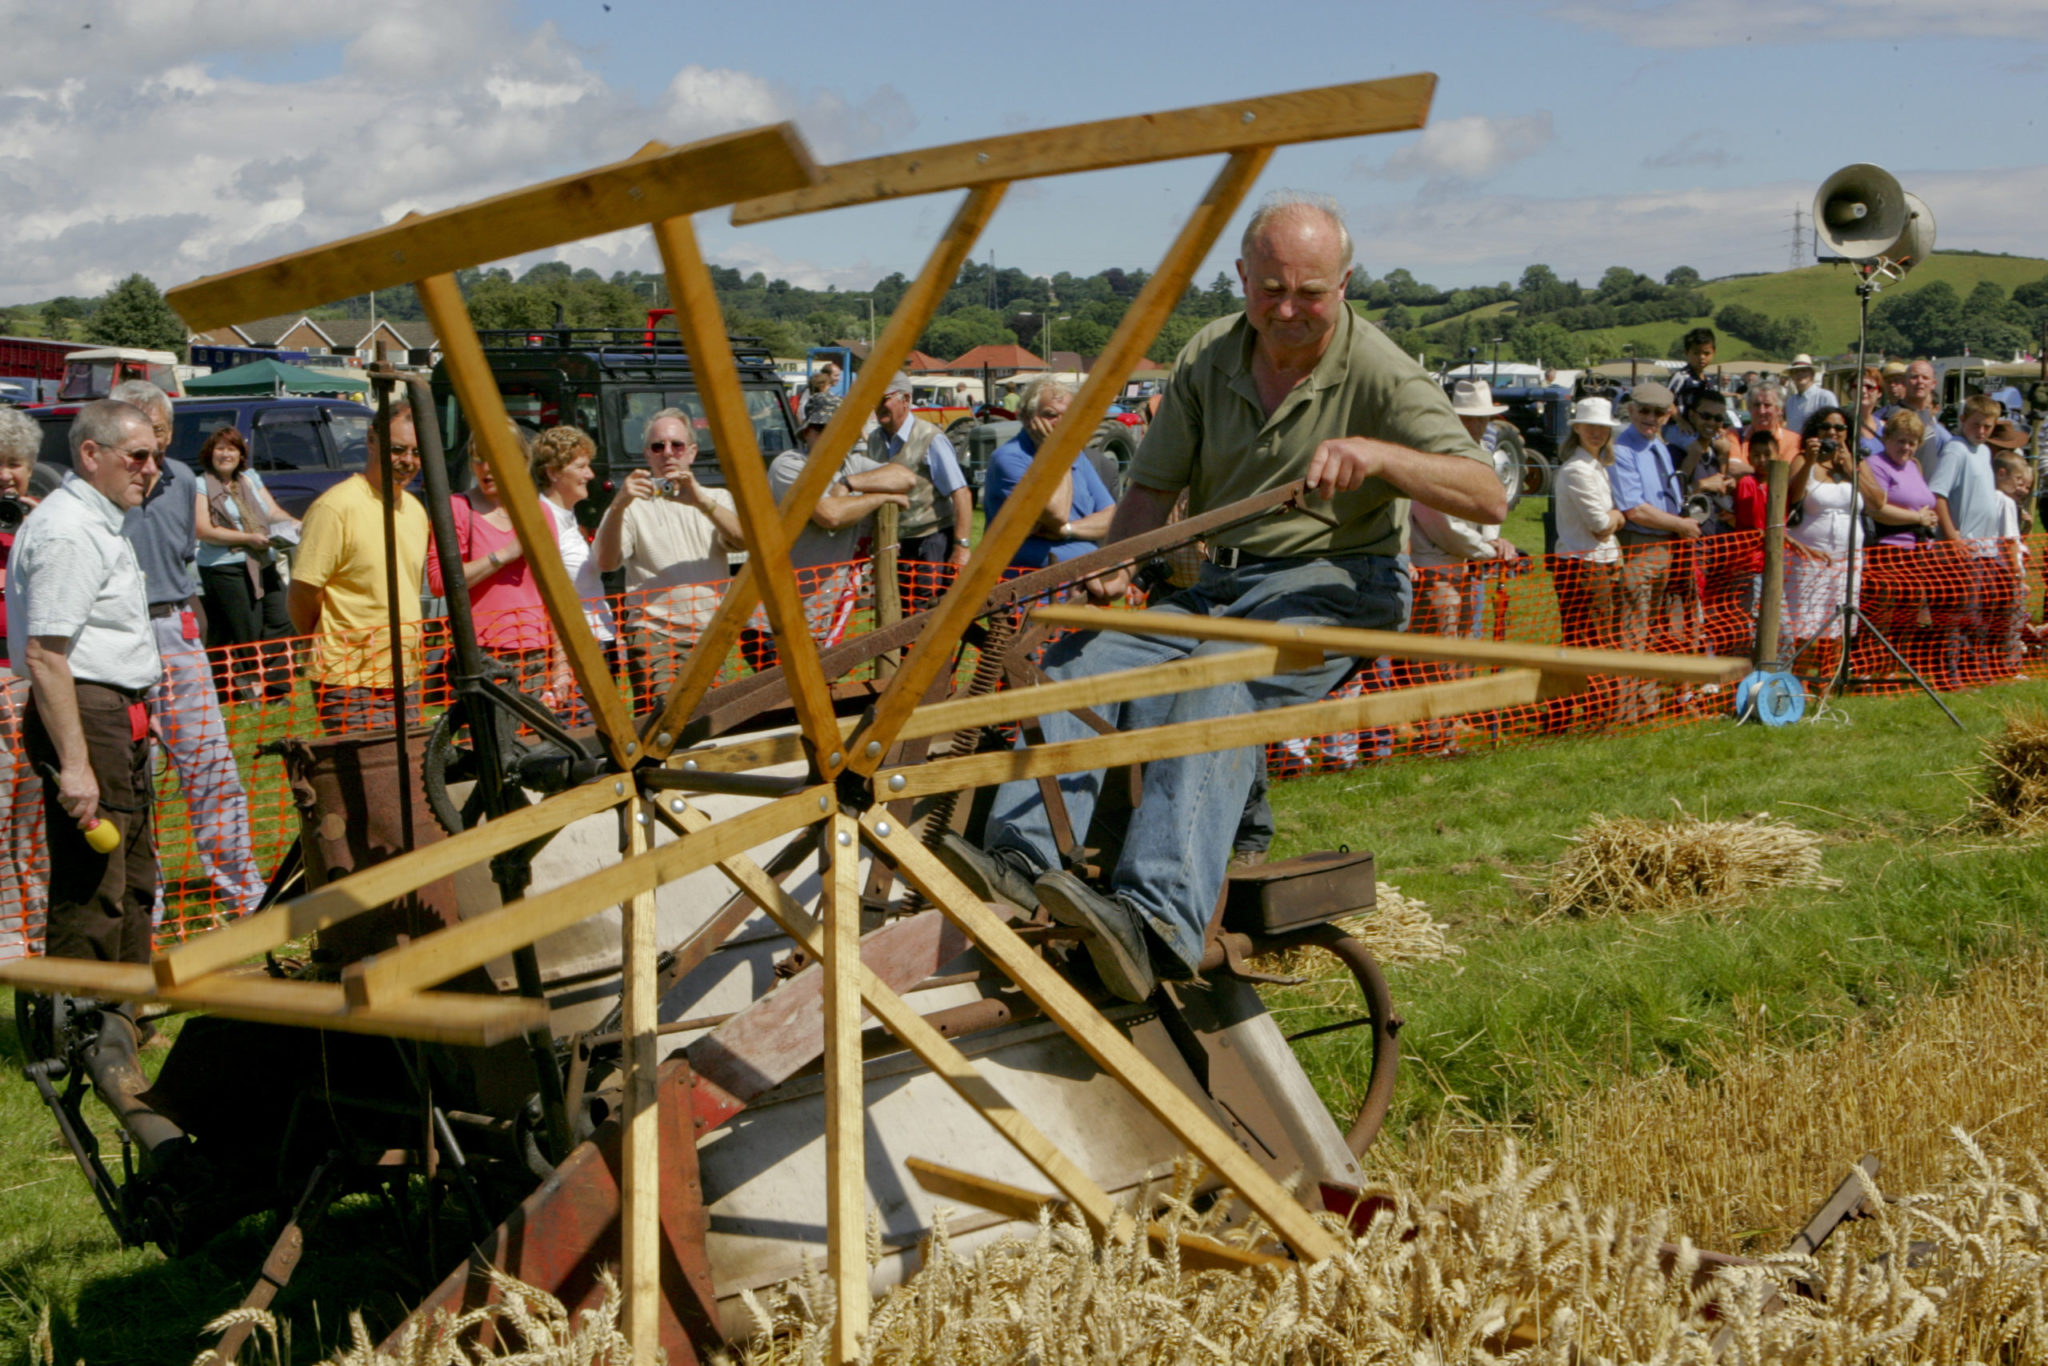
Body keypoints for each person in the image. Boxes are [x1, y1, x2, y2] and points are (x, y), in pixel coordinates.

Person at [937, 193, 1503, 1004]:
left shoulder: (1379, 370)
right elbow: (1152, 488)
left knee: (1216, 684)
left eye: (1310, 292)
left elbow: (1484, 493)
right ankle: (1023, 862)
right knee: (1080, 656)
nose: (1289, 309)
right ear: (1241, 278)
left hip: (1338, 588)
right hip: (1218, 584)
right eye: (1270, 288)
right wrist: (1119, 566)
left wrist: (1378, 454)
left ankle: (1155, 923)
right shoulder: (1209, 355)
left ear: (1345, 283)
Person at [8, 400, 162, 962]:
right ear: (92, 454)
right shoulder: (69, 531)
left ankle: (124, 1016)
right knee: (95, 883)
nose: (152, 469)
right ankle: (82, 1036)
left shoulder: (97, 521)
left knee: (134, 876)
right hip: (87, 713)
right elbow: (47, 656)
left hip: (116, 714)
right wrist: (75, 765)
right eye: (138, 456)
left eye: (156, 456)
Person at [113, 380, 265, 924]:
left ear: (170, 433)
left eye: (158, 432)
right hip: (116, 639)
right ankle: (142, 903)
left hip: (175, 632)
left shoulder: (182, 481)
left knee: (212, 768)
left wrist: (190, 621)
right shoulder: (100, 487)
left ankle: (244, 892)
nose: (148, 448)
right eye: (136, 432)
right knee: (134, 779)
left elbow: (184, 559)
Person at [288, 398, 430, 732]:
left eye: (416, 452)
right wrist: (325, 641)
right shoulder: (336, 508)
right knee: (370, 781)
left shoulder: (414, 510)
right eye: (397, 449)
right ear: (371, 440)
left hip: (405, 675)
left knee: (409, 776)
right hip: (350, 681)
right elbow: (303, 593)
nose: (407, 461)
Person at [591, 410, 744, 708]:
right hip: (653, 632)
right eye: (658, 446)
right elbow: (606, 563)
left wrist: (700, 501)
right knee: (661, 719)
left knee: (706, 721)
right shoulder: (632, 504)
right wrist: (619, 504)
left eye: (677, 445)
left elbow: (744, 540)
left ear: (693, 452)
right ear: (647, 455)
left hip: (707, 634)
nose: (668, 453)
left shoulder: (717, 499)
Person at [426, 425, 557, 699]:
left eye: (495, 457)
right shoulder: (458, 508)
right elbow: (440, 582)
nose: (485, 468)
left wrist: (561, 665)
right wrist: (503, 556)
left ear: (520, 461)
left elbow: (555, 595)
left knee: (533, 741)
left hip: (534, 654)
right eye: (478, 458)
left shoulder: (539, 513)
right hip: (481, 655)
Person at [767, 407, 914, 644]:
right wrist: (879, 497)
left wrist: (849, 483)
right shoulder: (789, 465)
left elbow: (906, 477)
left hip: (819, 615)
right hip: (777, 618)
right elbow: (830, 515)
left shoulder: (850, 465)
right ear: (806, 433)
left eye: (841, 430)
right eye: (823, 429)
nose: (833, 436)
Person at [1607, 379, 1702, 721]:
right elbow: (1636, 509)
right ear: (1630, 410)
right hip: (1641, 546)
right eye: (1643, 411)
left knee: (1652, 632)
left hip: (1667, 548)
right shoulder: (1623, 448)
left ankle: (1647, 706)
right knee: (1632, 631)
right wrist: (1680, 525)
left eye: (1658, 412)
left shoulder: (1658, 445)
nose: (1650, 418)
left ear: (1669, 414)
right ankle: (1624, 713)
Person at [193, 425, 297, 704]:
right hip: (224, 566)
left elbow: (272, 511)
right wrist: (247, 538)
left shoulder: (250, 478)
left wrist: (293, 524)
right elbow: (203, 530)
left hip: (263, 561)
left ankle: (276, 687)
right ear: (210, 453)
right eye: (220, 448)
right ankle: (249, 687)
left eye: (232, 448)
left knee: (281, 619)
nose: (226, 454)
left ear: (241, 454)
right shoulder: (201, 484)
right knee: (246, 630)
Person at [1547, 396, 1627, 729]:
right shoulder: (1577, 470)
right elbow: (1599, 526)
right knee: (1589, 642)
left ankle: (1583, 714)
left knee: (1594, 642)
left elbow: (1605, 528)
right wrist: (1618, 517)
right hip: (1583, 566)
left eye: (1602, 428)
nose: (1597, 432)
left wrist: (1613, 527)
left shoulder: (1597, 468)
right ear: (1577, 428)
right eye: (1590, 426)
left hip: (1597, 564)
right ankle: (1586, 715)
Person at [0, 406, 48, 955]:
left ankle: (42, 927)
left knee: (36, 813)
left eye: (15, 464)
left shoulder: (43, 521)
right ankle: (10, 936)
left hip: (35, 678)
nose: (5, 476)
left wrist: (35, 524)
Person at [981, 378, 1116, 568]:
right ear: (1027, 418)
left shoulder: (1075, 455)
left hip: (1082, 583)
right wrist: (1057, 455)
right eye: (1050, 414)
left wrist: (1067, 530)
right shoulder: (1010, 458)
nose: (1061, 423)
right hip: (1030, 589)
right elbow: (1056, 514)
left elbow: (1111, 517)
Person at [868, 371, 972, 605]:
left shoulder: (930, 438)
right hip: (892, 542)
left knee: (926, 612)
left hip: (931, 541)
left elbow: (961, 493)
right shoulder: (874, 440)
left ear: (906, 399)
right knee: (897, 608)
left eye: (884, 399)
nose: (877, 406)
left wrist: (962, 547)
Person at [531, 425, 616, 698]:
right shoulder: (544, 517)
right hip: (570, 649)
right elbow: (547, 593)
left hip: (593, 639)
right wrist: (562, 664)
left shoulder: (568, 515)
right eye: (581, 466)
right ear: (554, 472)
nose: (590, 475)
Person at [1780, 411, 1864, 672]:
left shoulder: (1854, 464)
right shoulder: (1803, 460)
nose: (1833, 432)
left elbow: (1877, 501)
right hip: (1809, 559)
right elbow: (1792, 497)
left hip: (1848, 560)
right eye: (1826, 426)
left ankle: (1827, 685)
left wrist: (1852, 469)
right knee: (1805, 624)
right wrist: (1810, 462)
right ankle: (1800, 682)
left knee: (1840, 625)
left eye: (1840, 427)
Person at [1898, 359, 1949, 471]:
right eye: (1914, 377)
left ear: (1933, 384)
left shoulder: (1926, 415)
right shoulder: (1895, 415)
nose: (1920, 381)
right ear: (1904, 382)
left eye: (1925, 378)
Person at [1669, 327, 1721, 422]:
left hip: (1699, 427)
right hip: (1678, 427)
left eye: (1706, 353)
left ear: (1714, 352)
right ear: (1687, 353)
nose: (1701, 357)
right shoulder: (1682, 377)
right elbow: (1667, 400)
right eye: (1696, 353)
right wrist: (1680, 421)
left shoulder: (1708, 380)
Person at [1783, 354, 1839, 432]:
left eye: (1804, 371)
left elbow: (1835, 426)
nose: (1800, 374)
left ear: (1812, 374)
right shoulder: (1790, 402)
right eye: (1796, 371)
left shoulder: (1825, 397)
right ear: (1792, 376)